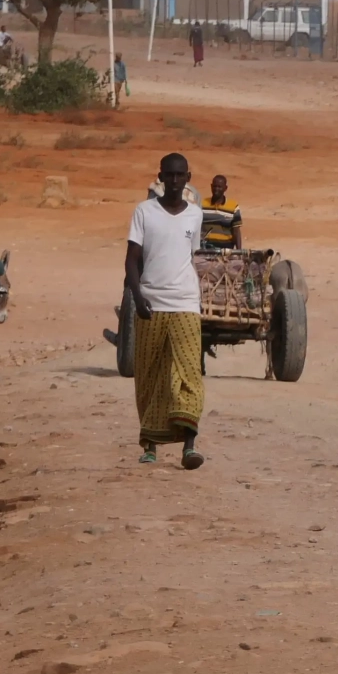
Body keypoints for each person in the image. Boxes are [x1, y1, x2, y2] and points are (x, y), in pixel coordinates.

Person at [124, 151, 207, 467]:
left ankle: (189, 445)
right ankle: (150, 445)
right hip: (151, 304)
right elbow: (131, 260)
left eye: (180, 175)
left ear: (188, 177)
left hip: (186, 303)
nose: (174, 181)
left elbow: (193, 255)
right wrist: (137, 295)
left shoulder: (195, 215)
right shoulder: (144, 211)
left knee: (187, 372)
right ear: (160, 177)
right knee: (149, 374)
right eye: (168, 175)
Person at [201, 173, 241, 250]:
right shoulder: (202, 204)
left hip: (226, 251)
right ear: (211, 186)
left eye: (219, 187)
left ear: (225, 188)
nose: (216, 189)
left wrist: (239, 251)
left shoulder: (233, 206)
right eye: (214, 186)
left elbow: (236, 231)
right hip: (205, 249)